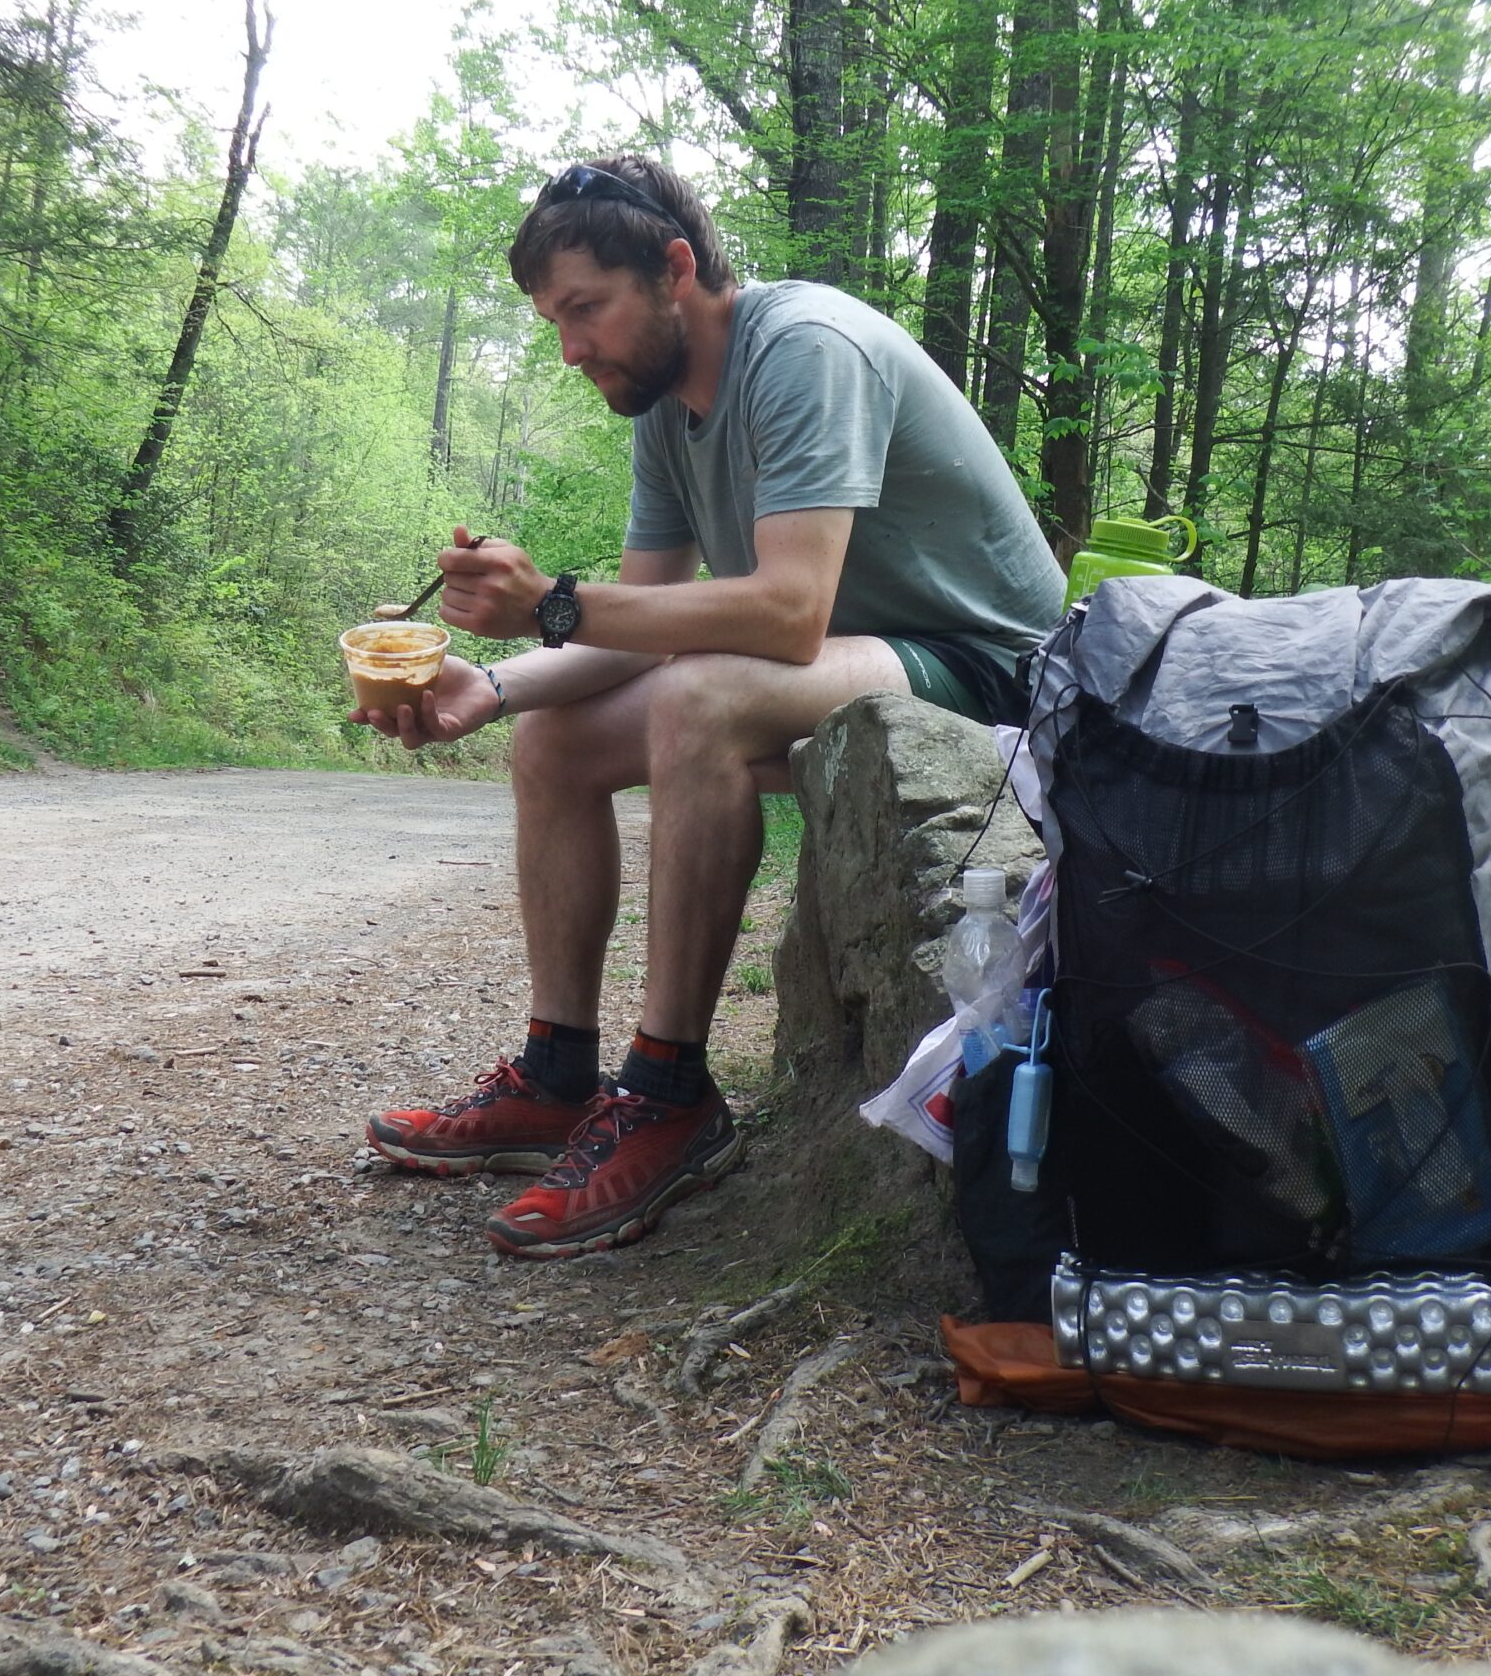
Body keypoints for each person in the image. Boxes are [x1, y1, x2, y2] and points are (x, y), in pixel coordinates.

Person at [352, 153, 1063, 1260]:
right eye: (552, 320)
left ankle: (671, 1092)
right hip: (847, 658)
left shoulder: (804, 349)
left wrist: (549, 603)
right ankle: (554, 1074)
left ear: (675, 269)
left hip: (989, 667)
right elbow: (638, 614)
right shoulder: (664, 409)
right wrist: (484, 689)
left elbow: (783, 613)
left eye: (585, 308)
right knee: (552, 741)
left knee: (695, 699)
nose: (569, 346)